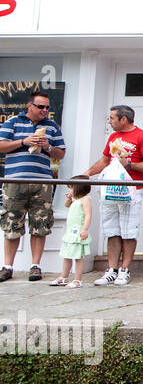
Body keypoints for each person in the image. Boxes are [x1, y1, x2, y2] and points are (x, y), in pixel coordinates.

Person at [0, 88, 67, 282]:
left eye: (47, 107)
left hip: (42, 181)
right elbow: (1, 145)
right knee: (12, 222)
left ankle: (35, 266)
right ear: (29, 106)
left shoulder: (52, 127)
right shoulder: (13, 122)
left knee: (40, 224)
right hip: (15, 180)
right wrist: (24, 141)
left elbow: (61, 154)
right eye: (40, 107)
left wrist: (47, 146)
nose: (44, 110)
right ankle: (7, 266)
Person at [84, 105, 143, 286]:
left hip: (132, 189)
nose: (109, 121)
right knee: (111, 229)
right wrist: (87, 173)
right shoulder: (113, 137)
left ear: (123, 119)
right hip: (110, 188)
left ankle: (124, 270)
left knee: (129, 230)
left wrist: (129, 164)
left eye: (112, 118)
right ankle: (111, 269)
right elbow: (105, 160)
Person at [53, 176, 93, 288]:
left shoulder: (85, 199)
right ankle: (64, 276)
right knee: (67, 255)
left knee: (78, 257)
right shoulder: (75, 200)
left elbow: (88, 215)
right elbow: (67, 205)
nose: (69, 190)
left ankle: (77, 279)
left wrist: (85, 229)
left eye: (71, 188)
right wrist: (69, 199)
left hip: (78, 233)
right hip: (70, 233)